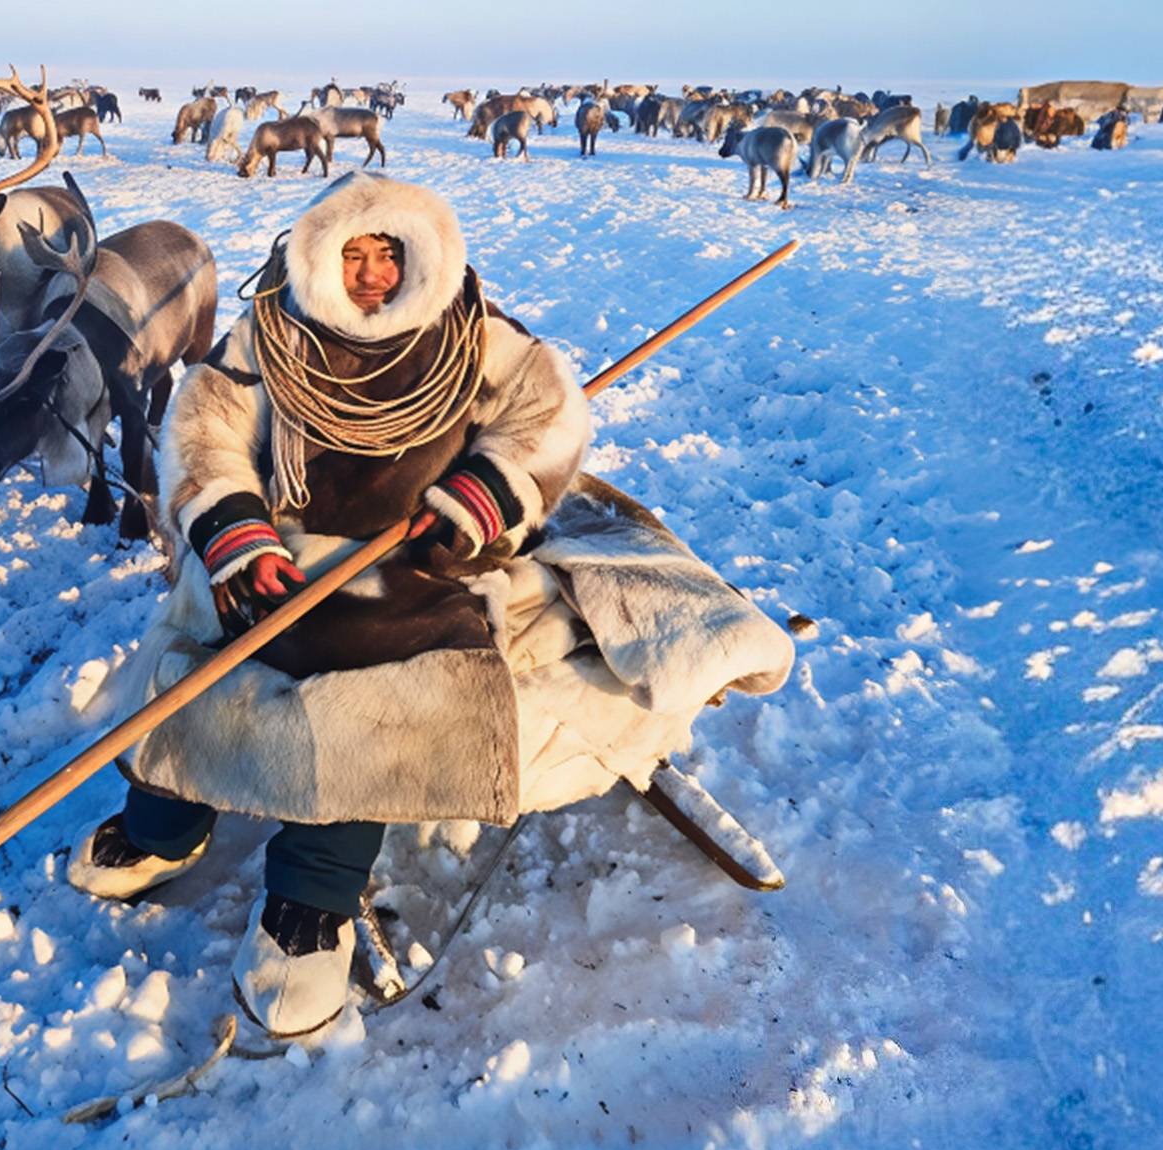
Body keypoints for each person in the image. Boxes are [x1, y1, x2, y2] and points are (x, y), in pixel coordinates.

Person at [68, 173, 795, 1038]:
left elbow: (545, 410)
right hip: (279, 542)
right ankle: (166, 823)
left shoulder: (473, 335)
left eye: (389, 253)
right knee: (199, 639)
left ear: (421, 257)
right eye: (352, 253)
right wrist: (232, 524)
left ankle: (312, 899)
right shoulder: (269, 334)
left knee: (379, 684)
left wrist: (485, 494)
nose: (372, 272)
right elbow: (205, 422)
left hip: (421, 556)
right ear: (318, 257)